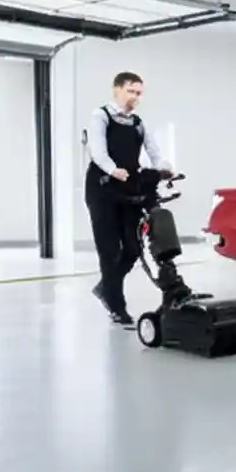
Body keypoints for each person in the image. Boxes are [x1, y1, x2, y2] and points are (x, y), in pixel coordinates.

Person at [84, 71, 173, 325]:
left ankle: (105, 286)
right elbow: (97, 151)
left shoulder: (137, 123)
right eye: (131, 91)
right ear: (116, 90)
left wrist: (163, 167)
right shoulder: (101, 116)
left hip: (129, 189)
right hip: (102, 190)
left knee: (133, 248)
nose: (135, 97)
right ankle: (116, 304)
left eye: (139, 93)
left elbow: (154, 152)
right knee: (109, 251)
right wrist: (113, 169)